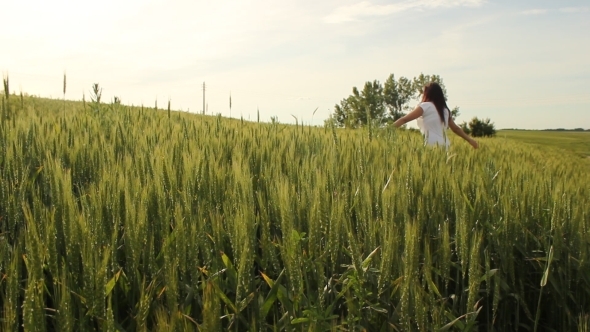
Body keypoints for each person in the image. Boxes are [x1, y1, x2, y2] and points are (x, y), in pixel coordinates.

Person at [393, 82, 478, 149]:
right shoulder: (445, 110)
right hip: (445, 145)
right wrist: (470, 140)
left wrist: (387, 130)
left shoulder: (425, 106)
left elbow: (404, 120)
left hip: (430, 144)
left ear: (427, 94)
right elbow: (455, 129)